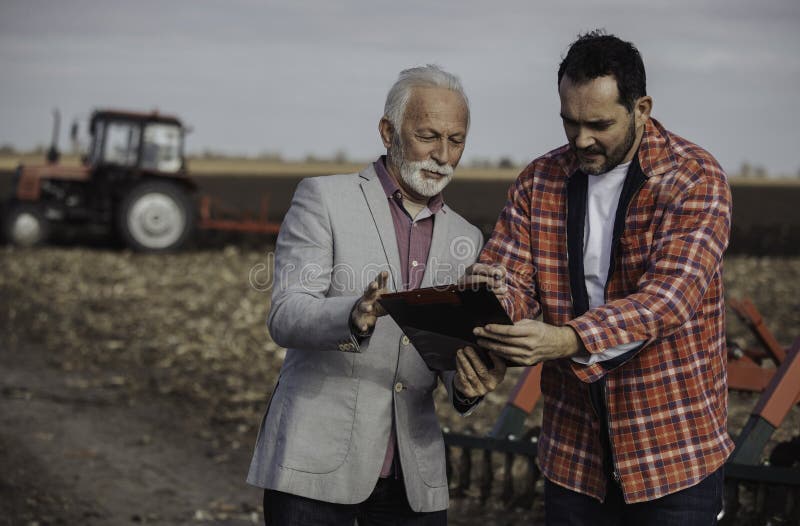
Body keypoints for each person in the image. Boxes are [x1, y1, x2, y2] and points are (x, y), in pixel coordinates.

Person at [468, 31, 733, 524]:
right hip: (574, 457)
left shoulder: (695, 179)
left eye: (599, 124)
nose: (581, 139)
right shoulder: (538, 180)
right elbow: (510, 280)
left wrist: (566, 339)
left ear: (642, 108)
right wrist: (491, 327)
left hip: (673, 455)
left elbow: (668, 300)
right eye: (570, 122)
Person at [247, 64, 507, 525]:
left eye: (456, 140)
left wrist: (466, 385)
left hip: (414, 480)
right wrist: (354, 315)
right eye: (428, 135)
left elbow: (444, 357)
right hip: (314, 470)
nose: (443, 155)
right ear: (388, 131)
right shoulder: (324, 198)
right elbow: (285, 314)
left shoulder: (466, 236)